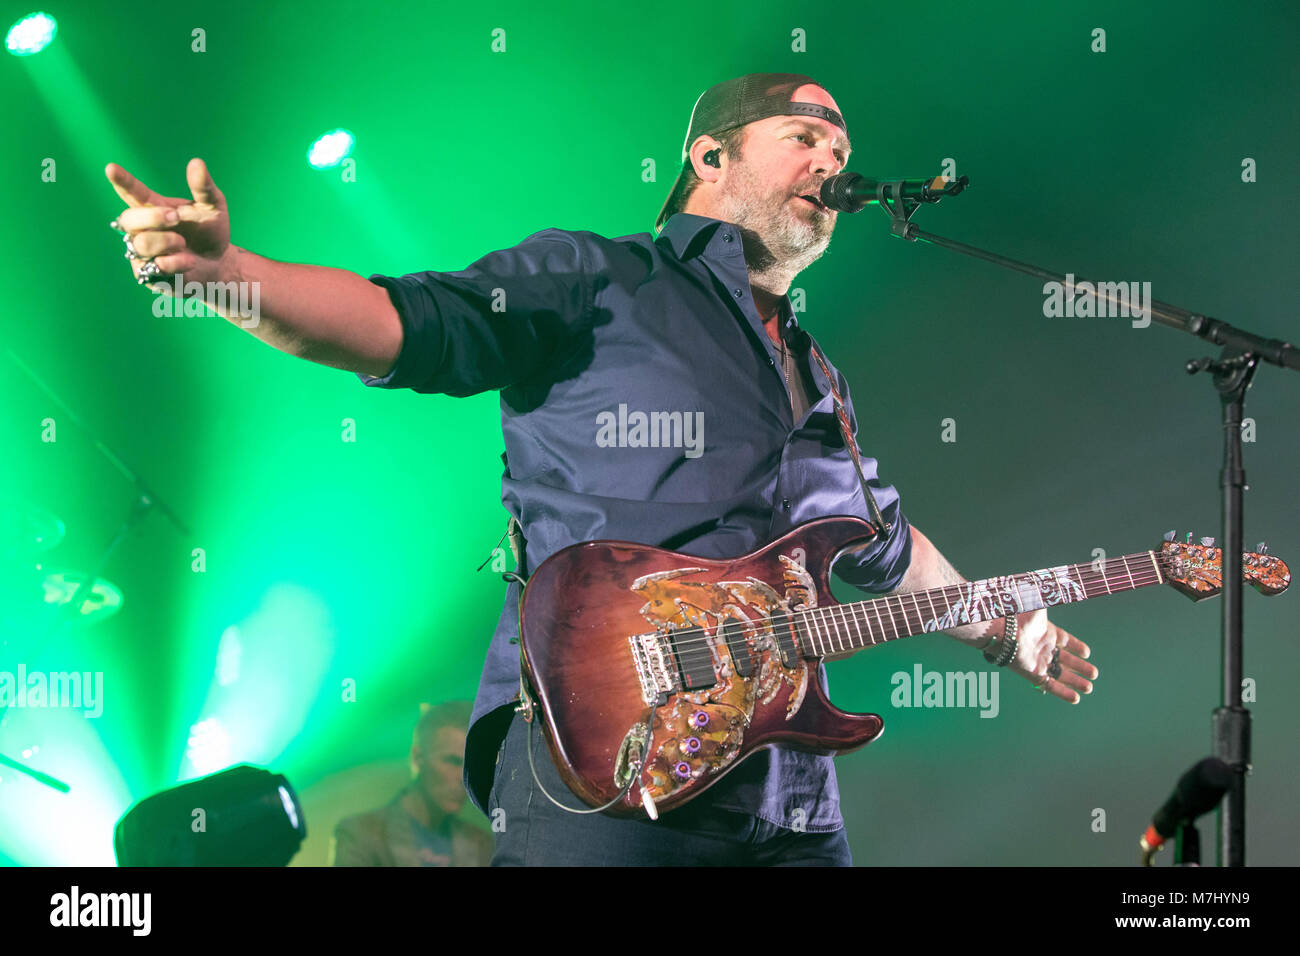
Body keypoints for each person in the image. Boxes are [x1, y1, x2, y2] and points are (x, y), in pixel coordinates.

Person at [105, 72, 1099, 866]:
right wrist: (228, 276)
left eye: (841, 149)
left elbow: (883, 545)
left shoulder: (819, 374)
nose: (832, 162)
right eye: (805, 136)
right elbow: (406, 323)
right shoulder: (600, 280)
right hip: (606, 767)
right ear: (710, 155)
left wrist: (1010, 628)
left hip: (789, 794)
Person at [330, 700, 493, 866]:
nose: (463, 778)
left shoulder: (483, 845)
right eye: (452, 761)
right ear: (417, 758)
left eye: (470, 767)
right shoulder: (360, 835)